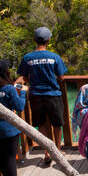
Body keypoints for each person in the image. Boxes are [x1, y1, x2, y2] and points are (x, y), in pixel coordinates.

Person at [18, 27, 67, 167]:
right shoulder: (54, 57)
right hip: (53, 94)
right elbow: (62, 77)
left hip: (36, 95)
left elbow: (24, 77)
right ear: (49, 40)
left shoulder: (27, 58)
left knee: (42, 125)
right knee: (57, 124)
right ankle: (57, 151)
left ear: (34, 40)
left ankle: (46, 152)